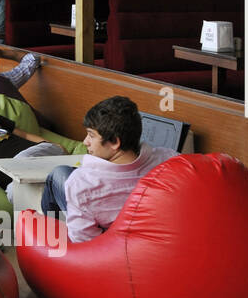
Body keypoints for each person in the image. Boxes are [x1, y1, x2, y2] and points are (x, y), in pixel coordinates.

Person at [41, 96, 179, 242]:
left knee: (57, 175)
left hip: (110, 243)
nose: (85, 141)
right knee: (63, 172)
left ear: (114, 142)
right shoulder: (169, 158)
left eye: (91, 135)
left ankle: (52, 237)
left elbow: (84, 244)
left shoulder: (81, 184)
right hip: (148, 234)